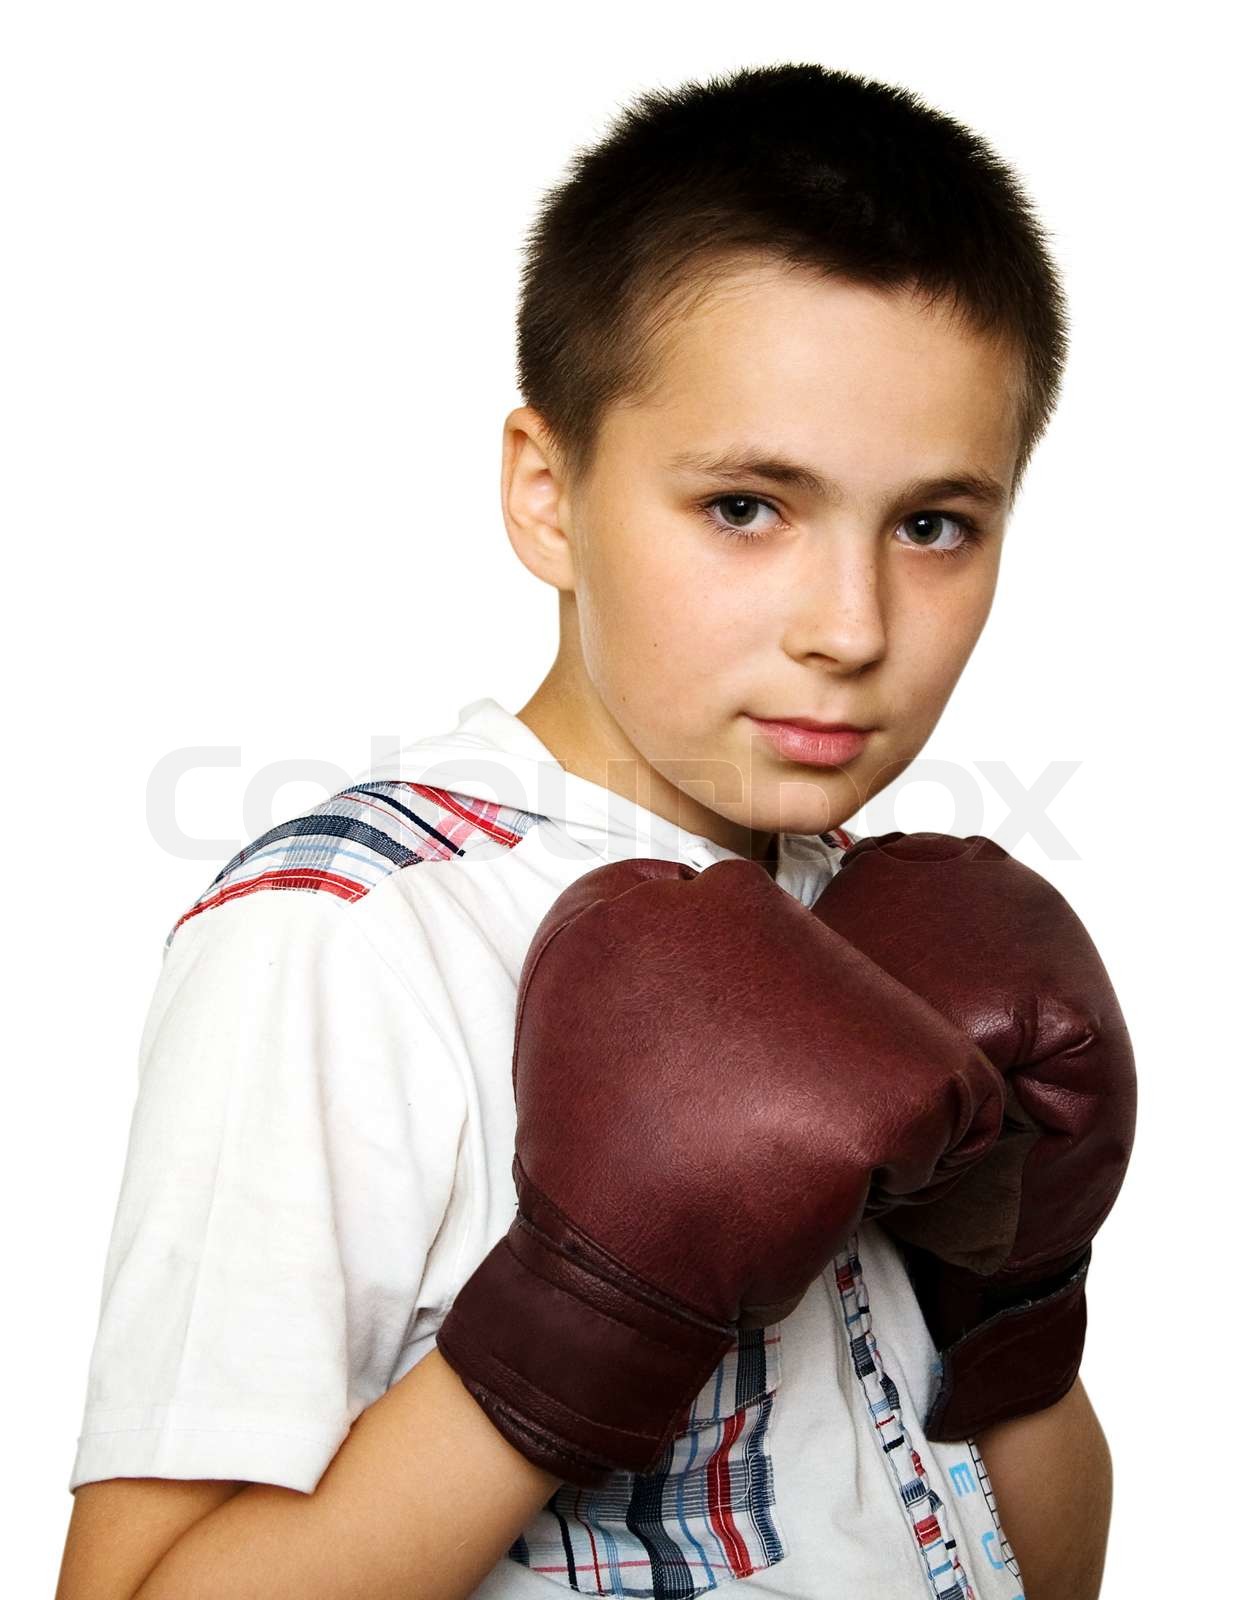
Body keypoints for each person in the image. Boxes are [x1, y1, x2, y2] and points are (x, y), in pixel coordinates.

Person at [55, 62, 1122, 1600]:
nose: (851, 626)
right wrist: (572, 1322)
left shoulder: (889, 937)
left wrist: (1019, 1291)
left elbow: (1049, 1571)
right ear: (547, 494)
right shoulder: (351, 936)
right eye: (749, 506)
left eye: (933, 524)